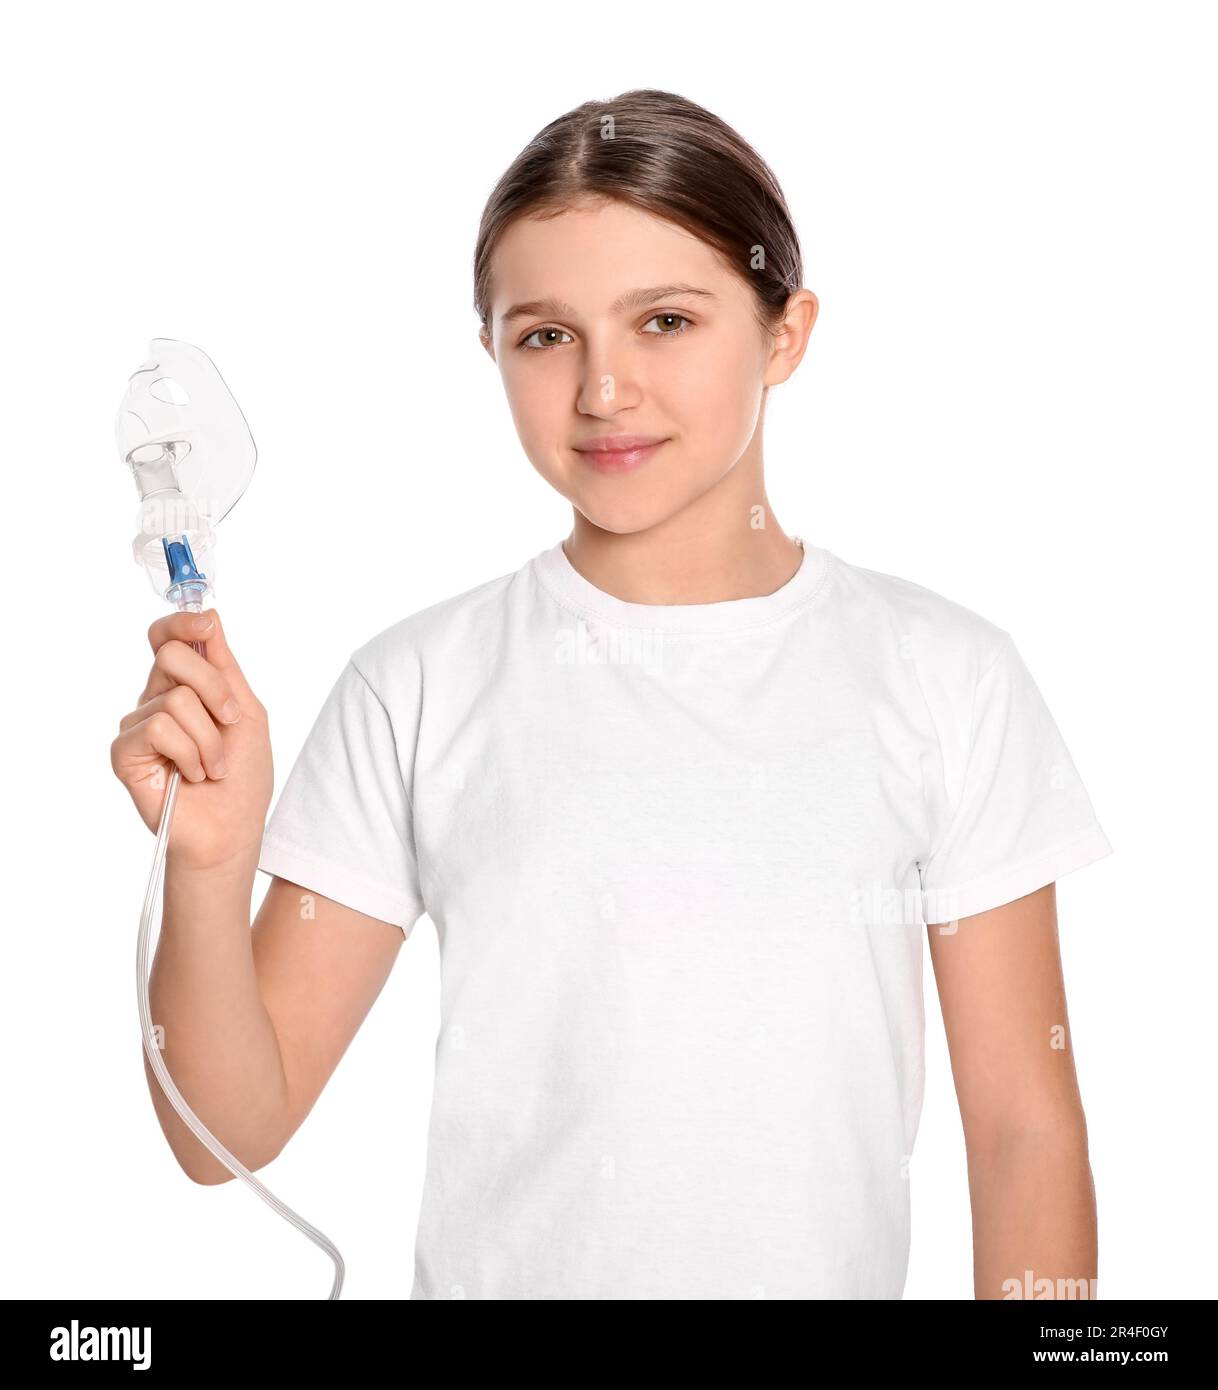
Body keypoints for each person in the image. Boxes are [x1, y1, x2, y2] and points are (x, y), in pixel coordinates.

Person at [111, 88, 1112, 1300]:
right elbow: (228, 1136)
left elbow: (1023, 1132)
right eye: (545, 336)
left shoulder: (945, 677)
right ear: (491, 350)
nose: (603, 390)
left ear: (785, 332)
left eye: (667, 321)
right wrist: (208, 874)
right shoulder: (419, 684)